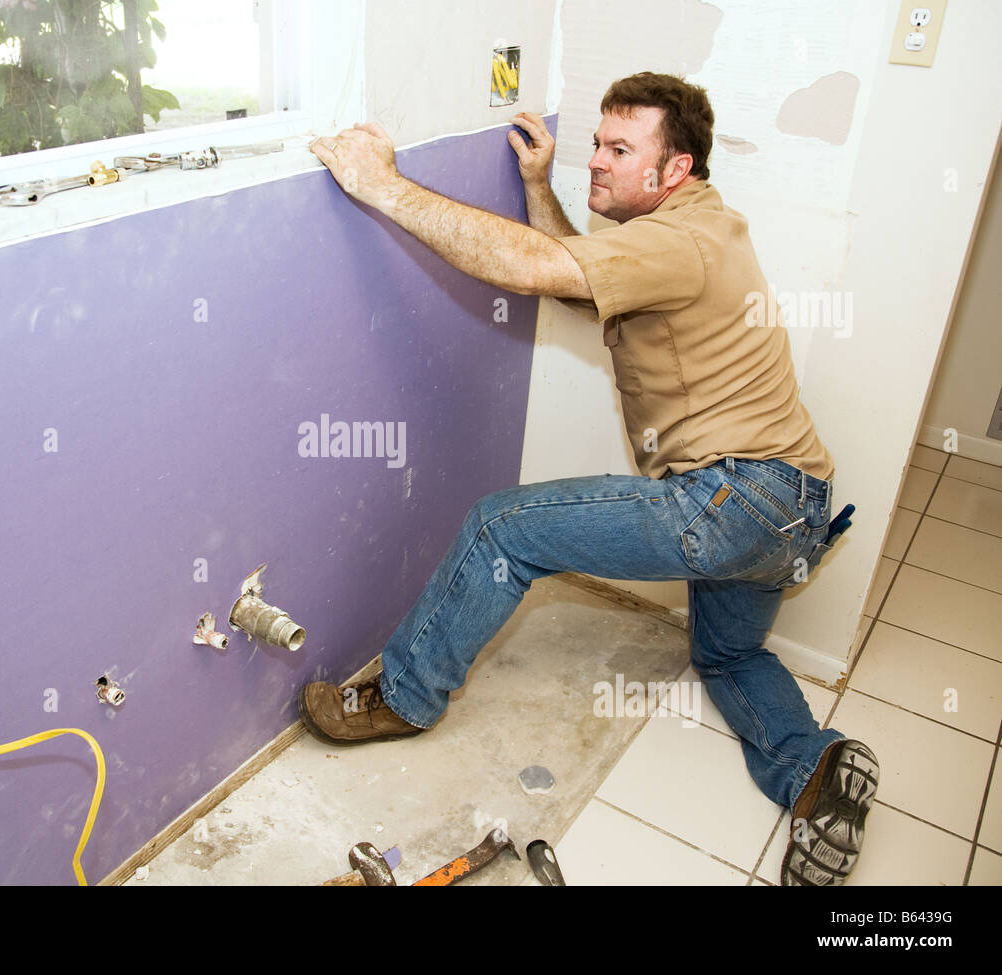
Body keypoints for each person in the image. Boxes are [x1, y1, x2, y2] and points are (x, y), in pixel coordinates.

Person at [297, 72, 877, 887]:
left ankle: (403, 697)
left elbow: (535, 269)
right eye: (597, 144)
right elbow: (580, 285)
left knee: (502, 527)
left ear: (673, 171)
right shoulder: (690, 229)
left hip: (733, 498)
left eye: (618, 149)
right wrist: (540, 186)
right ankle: (817, 771)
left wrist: (380, 184)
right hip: (792, 515)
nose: (595, 162)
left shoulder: (678, 242)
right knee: (730, 657)